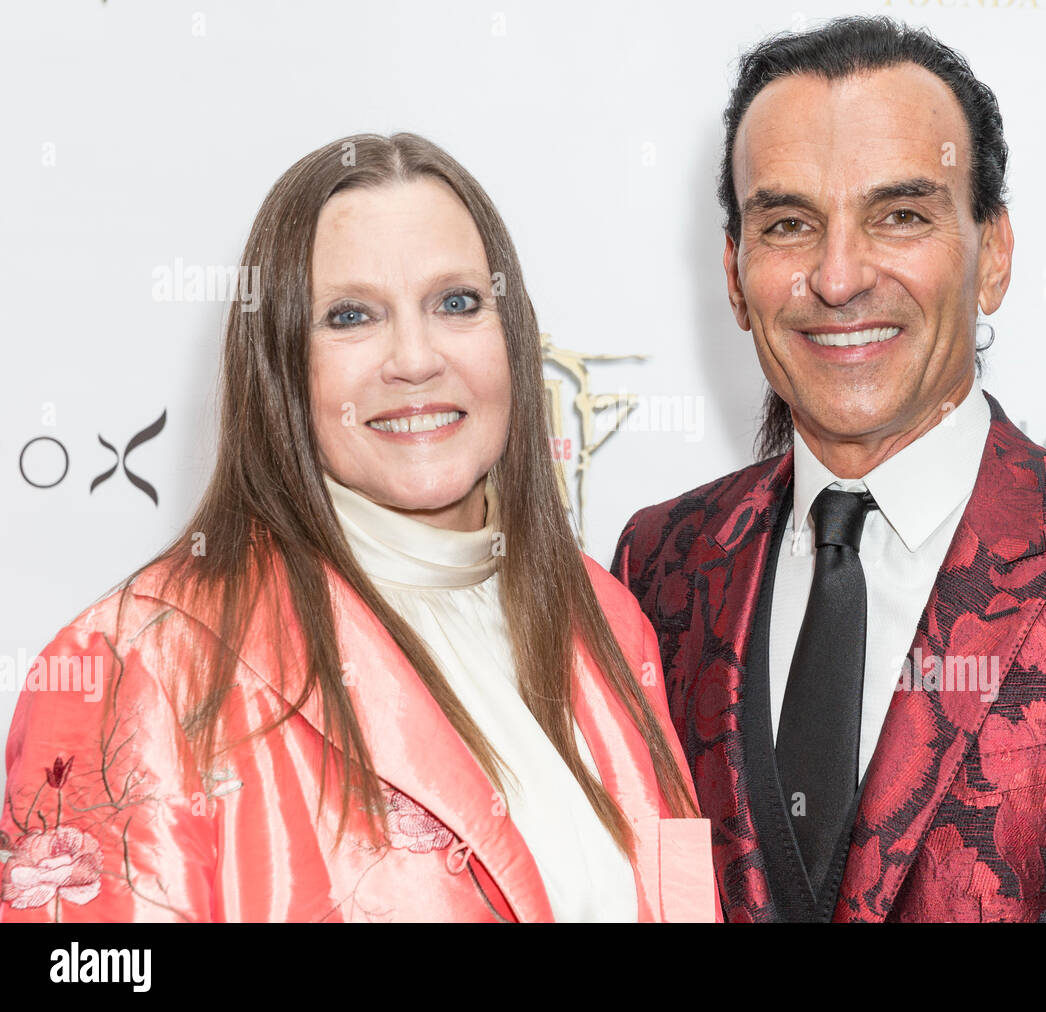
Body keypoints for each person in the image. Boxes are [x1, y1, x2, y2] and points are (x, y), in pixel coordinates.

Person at [611, 16, 1046, 922]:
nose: (839, 276)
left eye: (900, 215)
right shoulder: (660, 562)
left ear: (995, 254)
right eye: (788, 223)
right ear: (736, 274)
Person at [0, 132, 717, 923]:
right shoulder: (142, 661)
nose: (414, 358)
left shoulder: (609, 618)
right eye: (351, 316)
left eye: (456, 302)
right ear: (281, 366)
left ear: (511, 336)